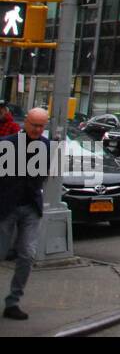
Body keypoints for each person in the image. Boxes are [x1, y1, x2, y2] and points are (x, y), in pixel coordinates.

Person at [1, 107, 50, 321]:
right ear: (26, 123)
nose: (37, 129)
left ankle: (13, 302)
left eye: (41, 126)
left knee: (27, 254)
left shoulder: (47, 146)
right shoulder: (7, 144)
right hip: (6, 207)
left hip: (31, 207)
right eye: (34, 125)